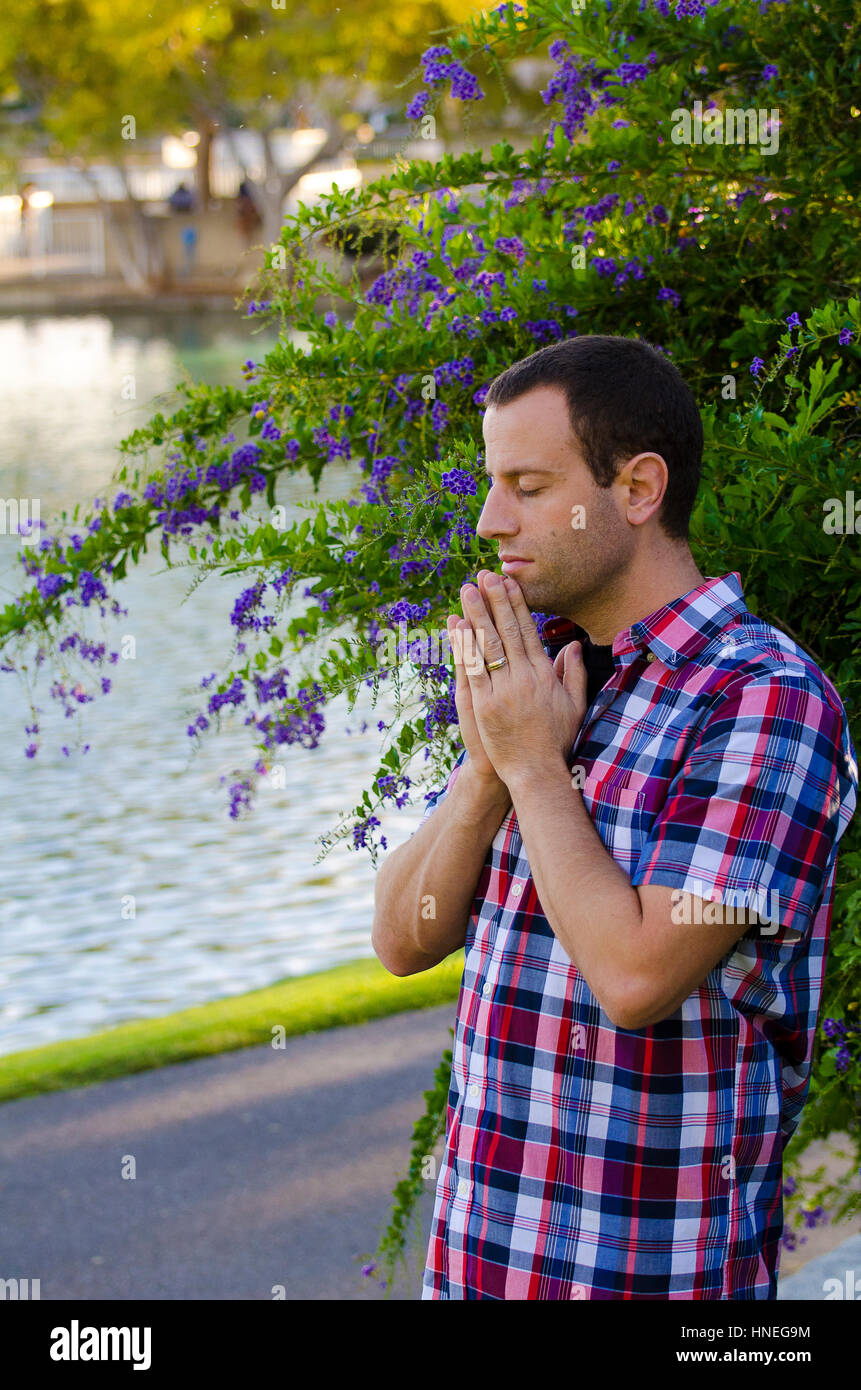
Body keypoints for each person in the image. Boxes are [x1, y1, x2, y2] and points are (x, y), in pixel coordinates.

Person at [372, 333, 858, 1300]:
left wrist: (530, 767)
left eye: (528, 485)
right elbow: (400, 939)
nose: (487, 519)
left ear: (636, 490)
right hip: (478, 1273)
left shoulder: (764, 700)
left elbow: (636, 978)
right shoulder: (543, 680)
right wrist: (484, 774)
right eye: (490, 481)